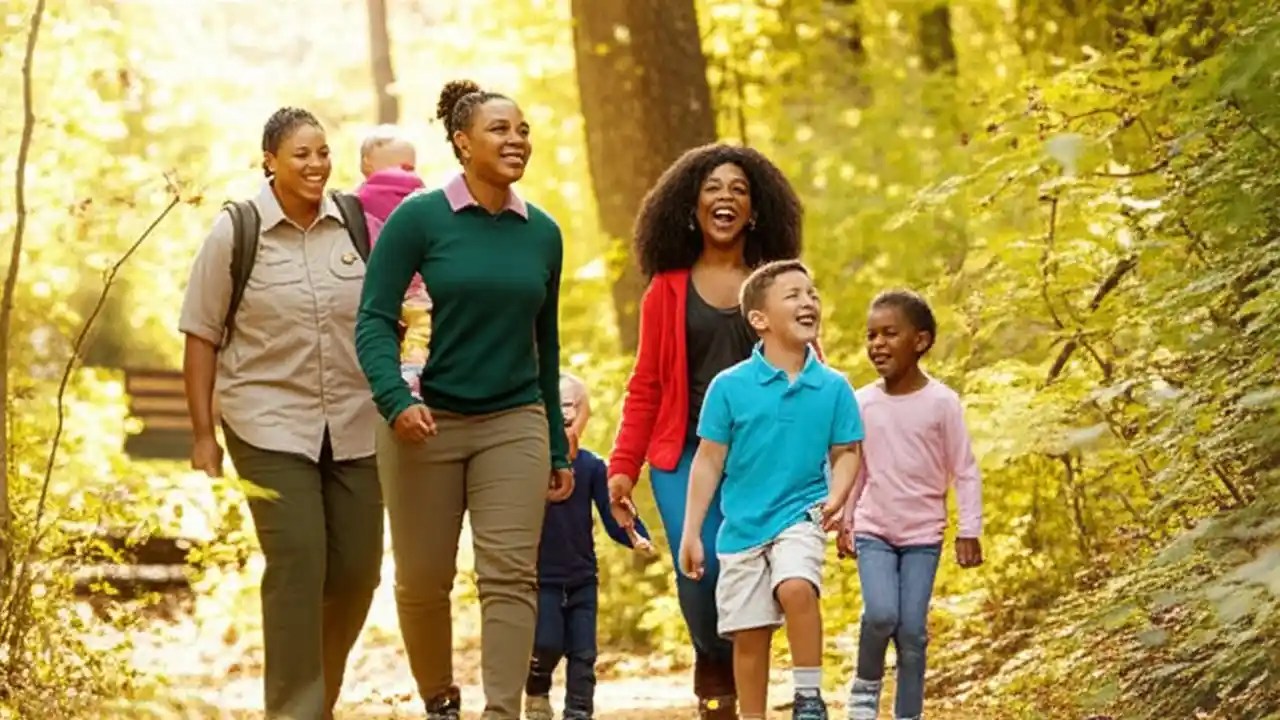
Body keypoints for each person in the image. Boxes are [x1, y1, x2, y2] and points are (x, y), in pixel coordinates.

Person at [354, 79, 574, 720]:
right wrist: (395, 400)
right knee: (422, 581)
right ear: (461, 141)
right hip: (424, 422)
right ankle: (439, 699)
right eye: (500, 129)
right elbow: (373, 319)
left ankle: (501, 711)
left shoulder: (543, 233)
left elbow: (547, 341)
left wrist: (556, 444)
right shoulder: (418, 219)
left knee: (510, 575)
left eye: (523, 129)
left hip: (514, 419)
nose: (517, 140)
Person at [178, 107, 383, 720]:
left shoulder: (353, 224)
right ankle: (294, 712)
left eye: (323, 151)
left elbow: (390, 314)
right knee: (298, 559)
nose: (316, 163)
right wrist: (201, 433)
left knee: (357, 571)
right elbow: (200, 334)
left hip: (354, 420)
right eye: (301, 153)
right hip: (266, 420)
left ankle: (316, 698)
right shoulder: (236, 232)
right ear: (269, 159)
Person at [606, 143, 810, 718]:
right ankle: (710, 655)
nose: (726, 197)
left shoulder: (775, 285)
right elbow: (645, 384)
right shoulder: (666, 290)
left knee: (762, 571)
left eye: (739, 190)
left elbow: (807, 370)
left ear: (755, 211)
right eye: (713, 188)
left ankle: (739, 694)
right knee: (702, 566)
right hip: (684, 452)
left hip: (761, 455)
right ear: (691, 206)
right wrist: (623, 467)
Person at [678, 261, 863, 720]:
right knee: (749, 635)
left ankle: (808, 697)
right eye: (794, 295)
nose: (808, 302)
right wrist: (691, 532)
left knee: (797, 586)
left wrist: (838, 495)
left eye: (812, 294)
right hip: (741, 528)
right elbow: (708, 461)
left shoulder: (834, 386)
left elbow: (847, 452)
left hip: (801, 514)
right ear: (759, 319)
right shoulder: (729, 387)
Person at [838, 290, 984, 720]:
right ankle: (865, 690)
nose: (877, 344)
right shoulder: (862, 402)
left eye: (889, 334)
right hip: (874, 528)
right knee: (881, 614)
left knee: (913, 633)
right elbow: (856, 469)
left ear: (920, 341)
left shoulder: (942, 403)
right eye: (871, 335)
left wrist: (969, 529)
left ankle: (908, 714)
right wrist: (845, 521)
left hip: (923, 535)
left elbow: (965, 469)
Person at [524, 373, 655, 720]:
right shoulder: (530, 464)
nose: (565, 413)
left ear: (585, 414)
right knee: (547, 643)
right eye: (557, 405)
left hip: (583, 577)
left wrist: (636, 535)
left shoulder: (593, 466)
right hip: (544, 578)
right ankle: (536, 687)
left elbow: (613, 512)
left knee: (584, 654)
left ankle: (578, 712)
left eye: (572, 405)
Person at [354, 125, 431, 398]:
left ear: (366, 165)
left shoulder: (354, 202)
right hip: (416, 287)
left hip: (372, 287)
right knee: (420, 330)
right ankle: (412, 373)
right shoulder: (423, 199)